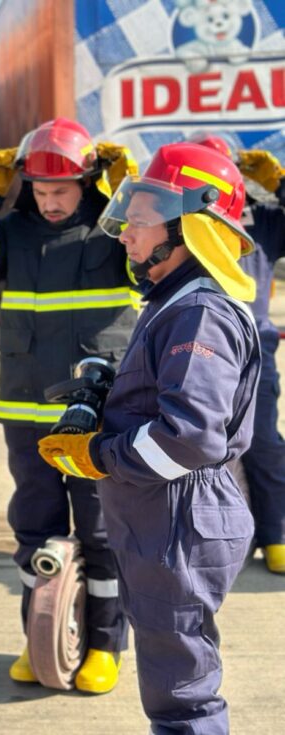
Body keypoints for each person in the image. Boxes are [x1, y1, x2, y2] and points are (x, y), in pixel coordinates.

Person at [39, 142, 260, 733]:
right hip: (164, 518)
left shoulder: (199, 314)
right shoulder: (173, 303)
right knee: (172, 681)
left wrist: (98, 456)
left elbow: (188, 438)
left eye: (139, 223)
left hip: (179, 522)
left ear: (192, 226)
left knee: (182, 697)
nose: (126, 236)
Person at [0, 118, 137, 692]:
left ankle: (105, 645)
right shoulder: (13, 232)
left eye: (62, 191)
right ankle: (37, 638)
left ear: (88, 183)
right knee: (34, 529)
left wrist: (129, 188)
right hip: (26, 410)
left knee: (102, 533)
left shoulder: (116, 230)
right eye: (40, 191)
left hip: (97, 411)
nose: (50, 203)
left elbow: (153, 264)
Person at [189, 133, 285, 575]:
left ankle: (276, 534)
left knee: (262, 442)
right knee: (196, 444)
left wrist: (280, 183)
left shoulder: (261, 220)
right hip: (192, 344)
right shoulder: (180, 222)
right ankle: (208, 534)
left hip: (254, 349)